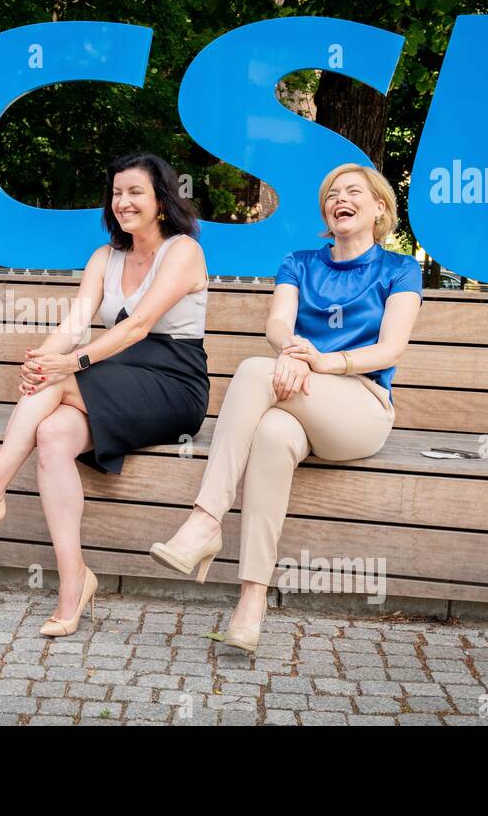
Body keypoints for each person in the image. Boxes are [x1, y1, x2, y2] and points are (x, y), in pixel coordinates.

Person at [0, 152, 209, 637]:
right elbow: (75, 325)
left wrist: (67, 366)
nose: (123, 202)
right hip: (114, 376)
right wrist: (42, 361)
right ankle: (74, 581)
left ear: (162, 200)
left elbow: (138, 327)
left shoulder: (182, 251)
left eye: (135, 192)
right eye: (117, 193)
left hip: (173, 382)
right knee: (53, 435)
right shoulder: (105, 257)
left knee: (56, 384)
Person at [148, 163, 422, 653]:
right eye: (332, 192)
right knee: (272, 436)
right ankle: (250, 607)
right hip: (298, 393)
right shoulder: (299, 262)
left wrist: (324, 361)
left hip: (360, 406)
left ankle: (207, 519)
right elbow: (278, 324)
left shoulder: (400, 269)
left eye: (354, 192)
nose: (340, 198)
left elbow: (391, 349)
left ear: (379, 207)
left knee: (256, 370)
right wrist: (297, 351)